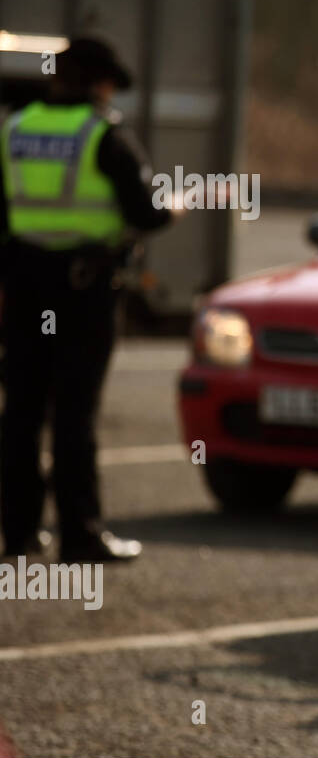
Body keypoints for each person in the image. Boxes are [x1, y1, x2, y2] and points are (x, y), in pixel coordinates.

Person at [0, 35, 176, 562]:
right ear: (100, 84)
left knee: (21, 412)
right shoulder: (103, 135)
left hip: (24, 284)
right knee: (75, 413)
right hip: (82, 291)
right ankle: (81, 533)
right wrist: (180, 207)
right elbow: (147, 214)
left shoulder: (15, 128)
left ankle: (19, 533)